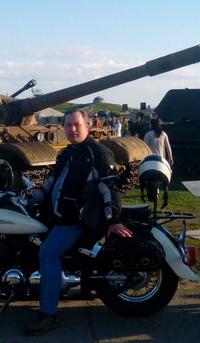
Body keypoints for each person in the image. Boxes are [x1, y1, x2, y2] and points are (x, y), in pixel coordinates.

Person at [24, 108, 132, 336]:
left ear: (87, 126)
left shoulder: (98, 153)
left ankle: (48, 314)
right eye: (68, 125)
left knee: (48, 253)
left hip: (78, 220)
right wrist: (30, 198)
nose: (72, 129)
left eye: (77, 124)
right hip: (59, 216)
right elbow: (51, 182)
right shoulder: (66, 153)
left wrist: (114, 220)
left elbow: (110, 188)